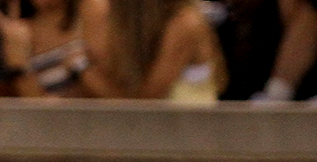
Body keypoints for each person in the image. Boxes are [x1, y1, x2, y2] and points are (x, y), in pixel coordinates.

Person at [82, 0, 222, 99]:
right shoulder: (133, 27)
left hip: (190, 132)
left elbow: (148, 100)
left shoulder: (186, 22)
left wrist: (80, 69)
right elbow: (115, 81)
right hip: (156, 130)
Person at [0, 0, 103, 97]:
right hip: (44, 117)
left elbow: (113, 98)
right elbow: (38, 110)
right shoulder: (12, 29)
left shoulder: (92, 11)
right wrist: (18, 63)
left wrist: (79, 70)